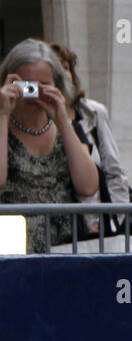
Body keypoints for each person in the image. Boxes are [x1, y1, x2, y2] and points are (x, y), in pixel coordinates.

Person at [0, 38, 99, 252]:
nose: (35, 92)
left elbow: (88, 186)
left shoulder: (67, 129)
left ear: (58, 85)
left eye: (43, 85)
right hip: (12, 251)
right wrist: (3, 114)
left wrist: (62, 120)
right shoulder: (2, 125)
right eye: (26, 85)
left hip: (64, 250)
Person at [49, 42, 132, 206]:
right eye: (56, 68)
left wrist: (113, 218)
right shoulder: (35, 116)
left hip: (93, 220)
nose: (63, 74)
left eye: (66, 67)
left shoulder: (93, 112)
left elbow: (114, 171)